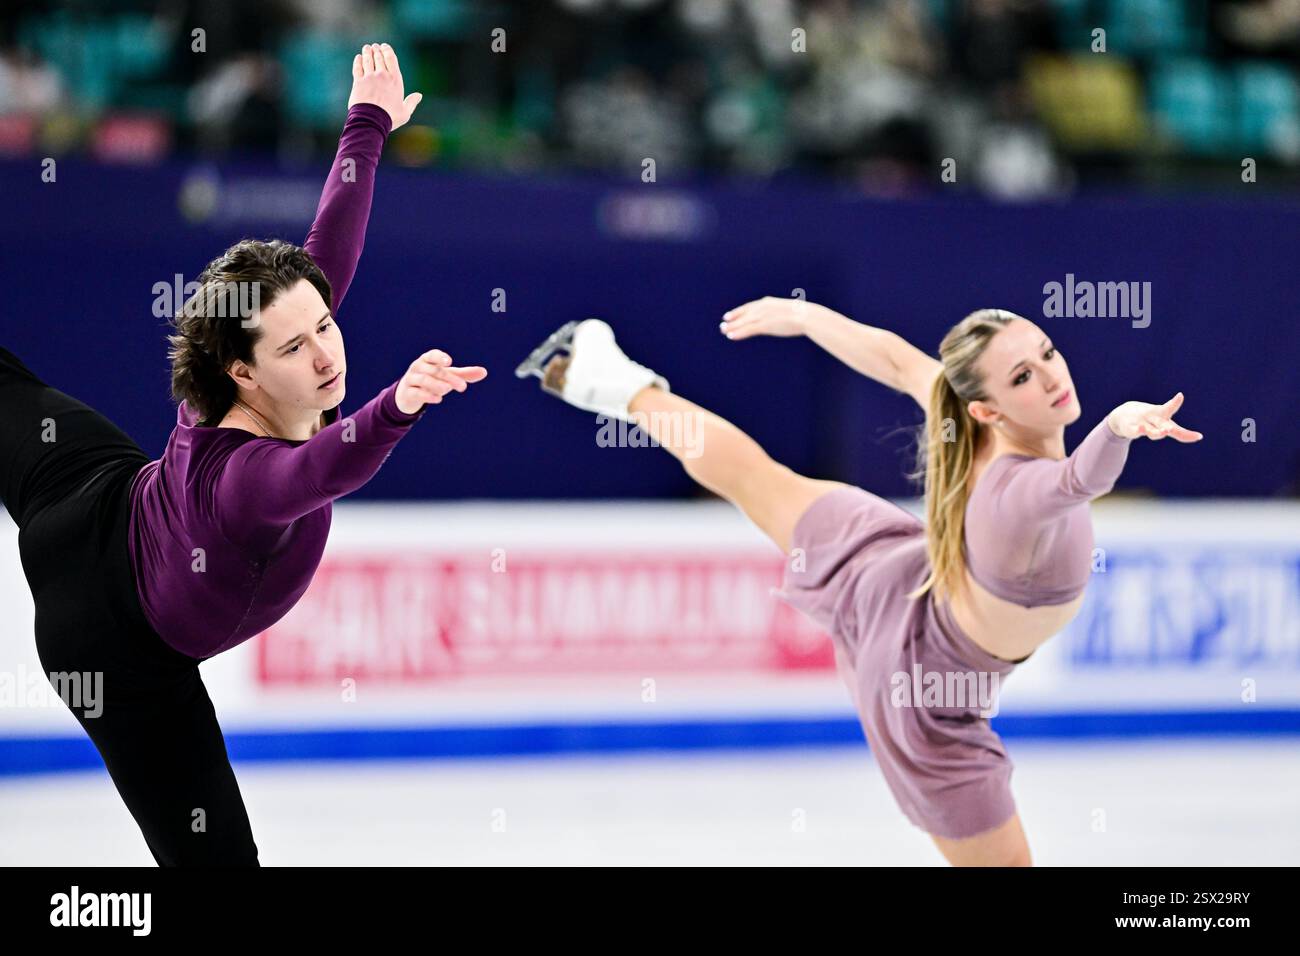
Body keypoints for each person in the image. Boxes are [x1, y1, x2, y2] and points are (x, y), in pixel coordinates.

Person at [0, 44, 485, 865]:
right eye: (298, 347)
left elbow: (327, 250)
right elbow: (320, 467)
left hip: (100, 492)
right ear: (243, 373)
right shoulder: (247, 485)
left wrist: (365, 125)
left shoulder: (244, 360)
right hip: (113, 642)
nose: (327, 353)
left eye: (325, 328)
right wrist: (398, 405)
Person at [517, 299, 1201, 866]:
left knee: (759, 480)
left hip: (901, 577)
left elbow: (896, 359)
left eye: (1047, 353)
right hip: (927, 687)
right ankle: (608, 381)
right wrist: (1117, 426)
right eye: (1022, 376)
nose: (1051, 376)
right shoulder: (1019, 491)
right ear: (988, 409)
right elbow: (1080, 480)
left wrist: (804, 316)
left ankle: (608, 381)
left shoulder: (966, 420)